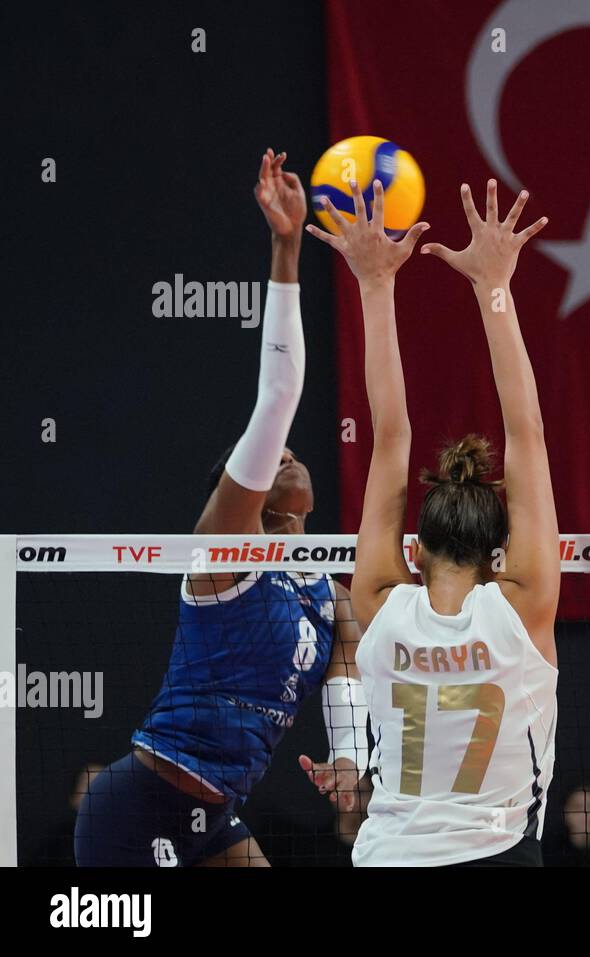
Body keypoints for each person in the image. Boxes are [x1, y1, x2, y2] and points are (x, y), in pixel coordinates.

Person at [75, 151, 367, 867]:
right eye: (275, 459)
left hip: (215, 813)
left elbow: (348, 659)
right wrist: (287, 244)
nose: (289, 455)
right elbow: (278, 393)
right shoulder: (224, 559)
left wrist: (351, 758)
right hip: (139, 805)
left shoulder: (328, 593)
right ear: (249, 490)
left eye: (294, 453)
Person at [305, 178, 559, 866]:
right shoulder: (524, 608)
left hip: (387, 854)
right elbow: (527, 432)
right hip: (496, 853)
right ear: (498, 555)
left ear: (414, 549)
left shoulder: (380, 605)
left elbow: (388, 436)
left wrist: (374, 286)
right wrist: (494, 287)